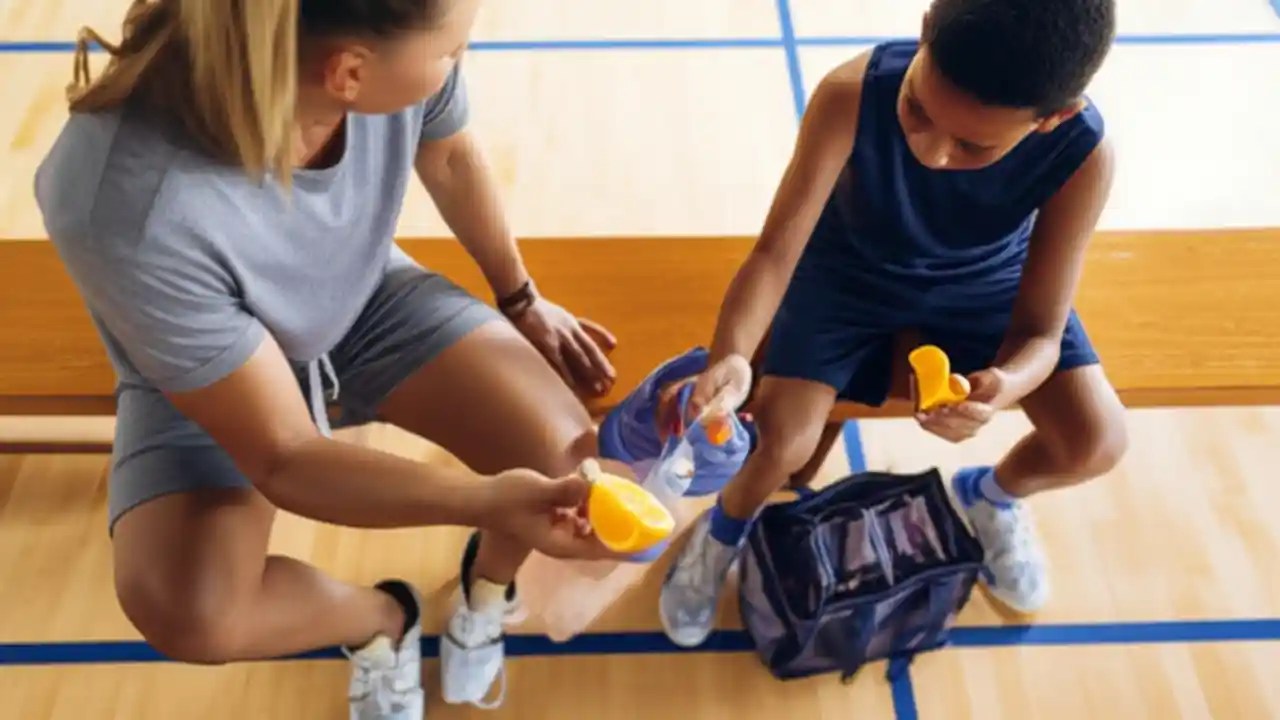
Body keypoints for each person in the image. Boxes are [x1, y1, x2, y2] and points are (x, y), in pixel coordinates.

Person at [35, 0, 626, 715]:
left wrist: (522, 297)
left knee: (569, 462)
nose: (458, 61)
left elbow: (449, 152)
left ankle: (488, 583)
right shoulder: (123, 206)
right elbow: (285, 457)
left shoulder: (379, 33)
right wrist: (485, 496)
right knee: (191, 613)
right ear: (347, 71)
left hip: (364, 293)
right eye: (451, 51)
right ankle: (385, 621)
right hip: (213, 373)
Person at [656, 0, 1127, 648]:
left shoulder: (1086, 154)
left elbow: (1042, 333)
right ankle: (723, 531)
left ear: (1054, 119)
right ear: (926, 26)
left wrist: (1001, 387)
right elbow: (773, 255)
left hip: (984, 285)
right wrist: (732, 355)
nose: (933, 154)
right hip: (845, 274)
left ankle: (989, 496)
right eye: (918, 111)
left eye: (973, 145)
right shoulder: (850, 94)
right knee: (783, 443)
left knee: (1096, 441)